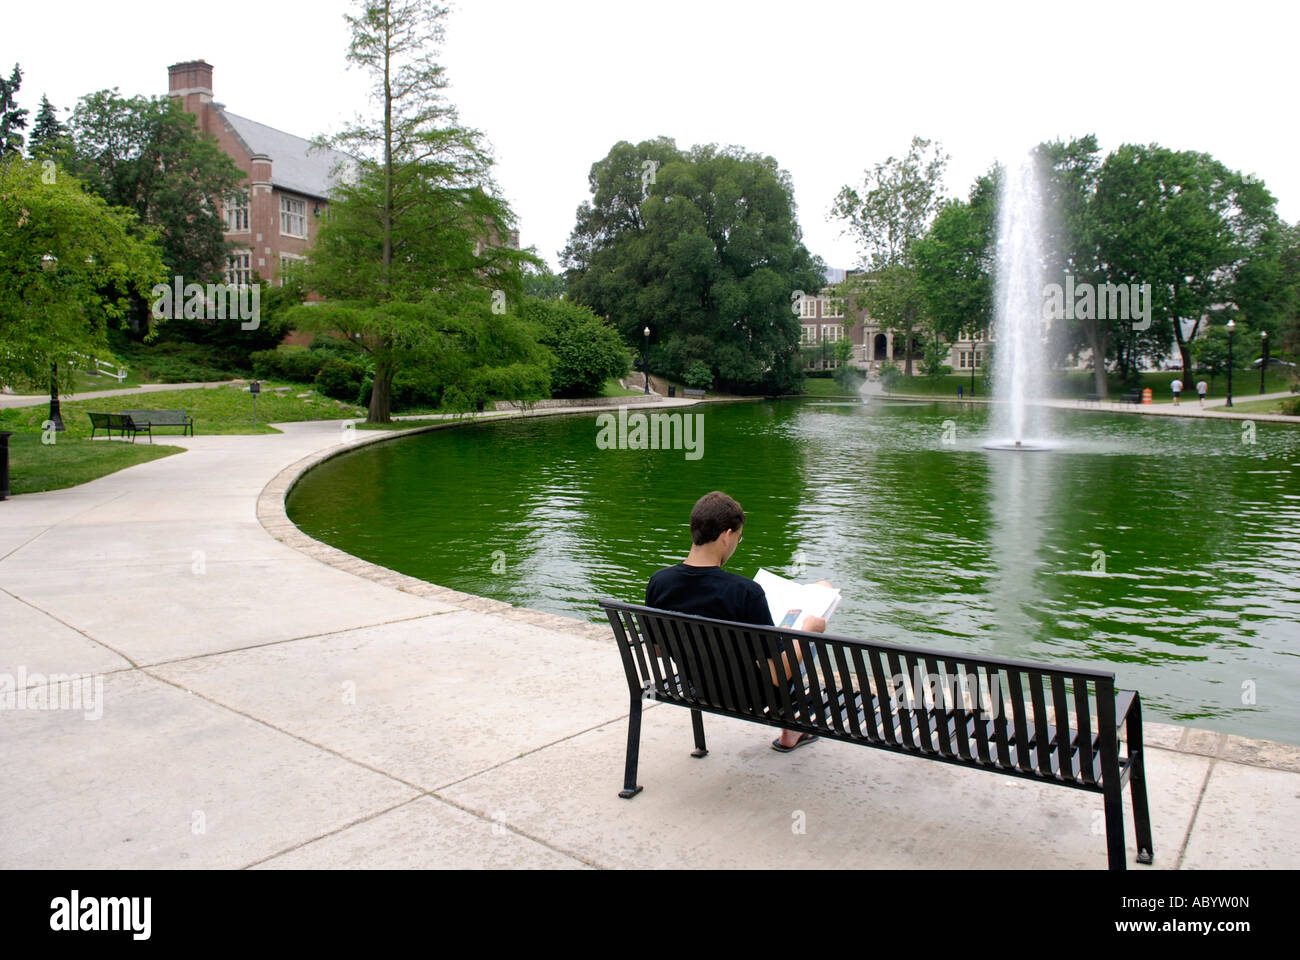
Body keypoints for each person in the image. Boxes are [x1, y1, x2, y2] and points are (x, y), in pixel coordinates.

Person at [646, 490, 830, 752]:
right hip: (751, 696)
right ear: (727, 535)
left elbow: (658, 649)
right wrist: (807, 631)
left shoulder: (659, 583)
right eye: (738, 539)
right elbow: (778, 674)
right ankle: (792, 731)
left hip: (695, 685)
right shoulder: (745, 593)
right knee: (809, 629)